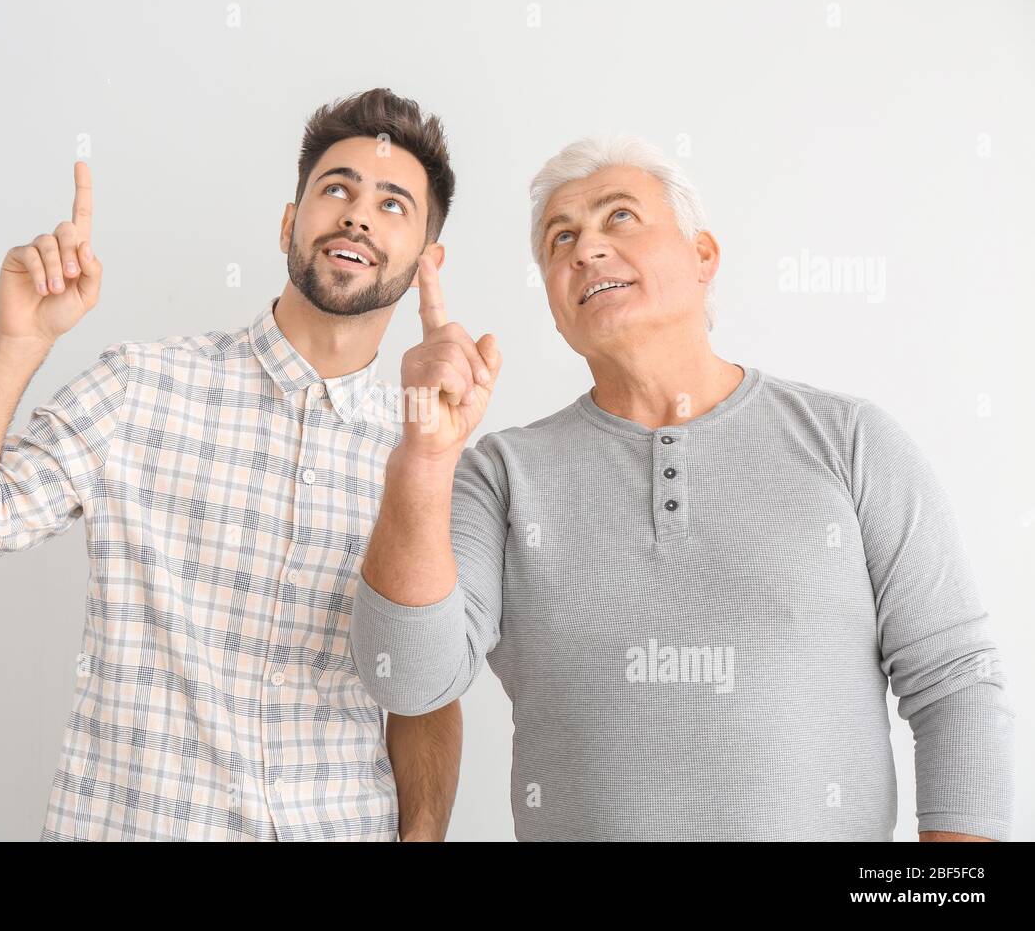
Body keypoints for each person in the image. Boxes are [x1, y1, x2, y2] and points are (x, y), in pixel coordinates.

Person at [349, 135, 1015, 841]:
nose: (585, 249)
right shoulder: (501, 475)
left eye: (620, 218)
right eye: (560, 239)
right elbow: (410, 679)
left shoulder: (850, 442)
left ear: (703, 257)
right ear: (552, 300)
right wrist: (423, 456)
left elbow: (956, 682)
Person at [0, 88, 462, 842]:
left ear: (427, 261)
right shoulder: (140, 387)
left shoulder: (429, 447)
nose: (357, 213)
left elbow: (426, 687)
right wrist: (18, 341)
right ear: (290, 223)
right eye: (337, 188)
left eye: (393, 204)